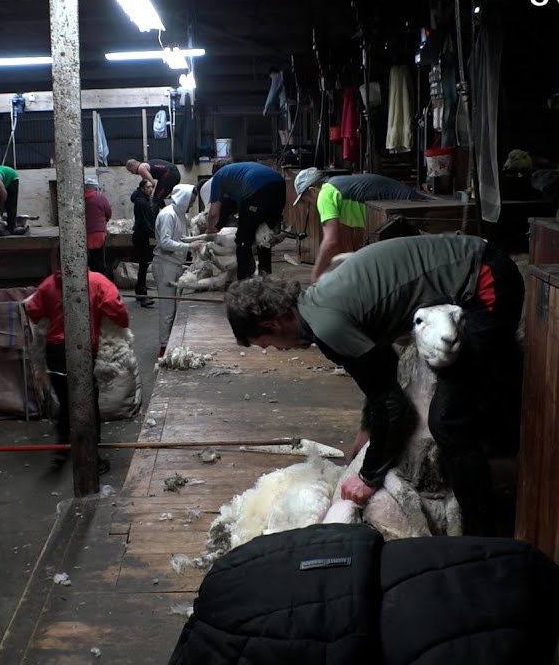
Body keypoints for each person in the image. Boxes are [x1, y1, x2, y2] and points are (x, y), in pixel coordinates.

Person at [223, 234, 524, 536]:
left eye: (267, 344)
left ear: (272, 325)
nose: (277, 351)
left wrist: (368, 477)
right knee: (456, 402)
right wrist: (368, 426)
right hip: (473, 263)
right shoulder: (316, 305)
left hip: (485, 279)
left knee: (448, 420)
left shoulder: (327, 325)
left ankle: (482, 536)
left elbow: (395, 408)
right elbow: (384, 369)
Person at [24, 270, 130, 473]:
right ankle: (92, 458)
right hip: (82, 349)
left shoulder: (48, 284)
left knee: (65, 402)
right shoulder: (98, 281)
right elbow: (115, 308)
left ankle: (64, 445)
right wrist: (121, 323)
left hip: (55, 350)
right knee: (87, 402)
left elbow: (33, 310)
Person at [290, 168, 432, 282]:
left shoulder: (325, 195)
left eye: (306, 200)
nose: (309, 204)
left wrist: (316, 273)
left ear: (312, 190)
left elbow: (330, 241)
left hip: (405, 209)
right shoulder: (333, 185)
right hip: (408, 205)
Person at [204, 160, 285, 280]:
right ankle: (265, 276)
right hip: (279, 186)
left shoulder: (217, 178)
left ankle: (244, 281)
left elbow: (213, 213)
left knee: (243, 240)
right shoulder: (236, 172)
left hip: (258, 190)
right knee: (264, 236)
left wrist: (210, 228)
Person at [152, 184, 204, 357]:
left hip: (175, 263)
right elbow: (165, 242)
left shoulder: (181, 215)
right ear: (183, 198)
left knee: (174, 307)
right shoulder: (168, 215)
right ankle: (164, 346)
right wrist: (190, 246)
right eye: (190, 201)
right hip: (165, 264)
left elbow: (182, 237)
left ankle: (171, 342)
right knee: (167, 308)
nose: (191, 205)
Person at [130, 178, 157, 307]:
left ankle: (140, 291)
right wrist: (154, 234)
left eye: (151, 187)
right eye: (148, 187)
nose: (150, 189)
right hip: (141, 236)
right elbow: (144, 221)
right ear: (142, 188)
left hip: (142, 235)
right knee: (143, 265)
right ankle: (142, 295)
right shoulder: (141, 202)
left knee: (143, 265)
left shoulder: (143, 200)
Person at [83, 176, 113, 277]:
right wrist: (105, 220)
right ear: (95, 188)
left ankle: (90, 278)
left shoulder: (80, 199)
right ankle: (101, 280)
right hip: (98, 232)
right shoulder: (100, 198)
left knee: (89, 258)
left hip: (84, 233)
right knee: (100, 258)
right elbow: (108, 212)